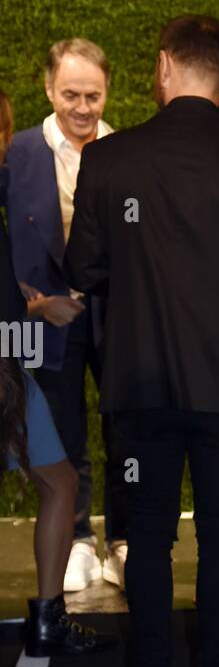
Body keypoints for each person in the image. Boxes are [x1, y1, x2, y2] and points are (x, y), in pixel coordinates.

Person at [66, 15, 219, 667]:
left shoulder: (109, 160)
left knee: (149, 535)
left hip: (140, 384)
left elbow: (83, 269)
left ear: (162, 68)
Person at [5, 39, 128, 593]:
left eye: (94, 95)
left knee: (124, 424)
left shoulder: (126, 149)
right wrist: (24, 299)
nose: (83, 107)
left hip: (116, 314)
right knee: (59, 430)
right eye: (71, 94)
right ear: (50, 90)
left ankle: (122, 539)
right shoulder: (19, 151)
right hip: (41, 320)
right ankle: (77, 537)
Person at [1, 89, 112, 656]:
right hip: (8, 368)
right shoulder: (23, 160)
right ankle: (47, 620)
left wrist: (24, 306)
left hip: (12, 364)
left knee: (61, 480)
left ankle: (48, 620)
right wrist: (38, 310)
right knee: (61, 481)